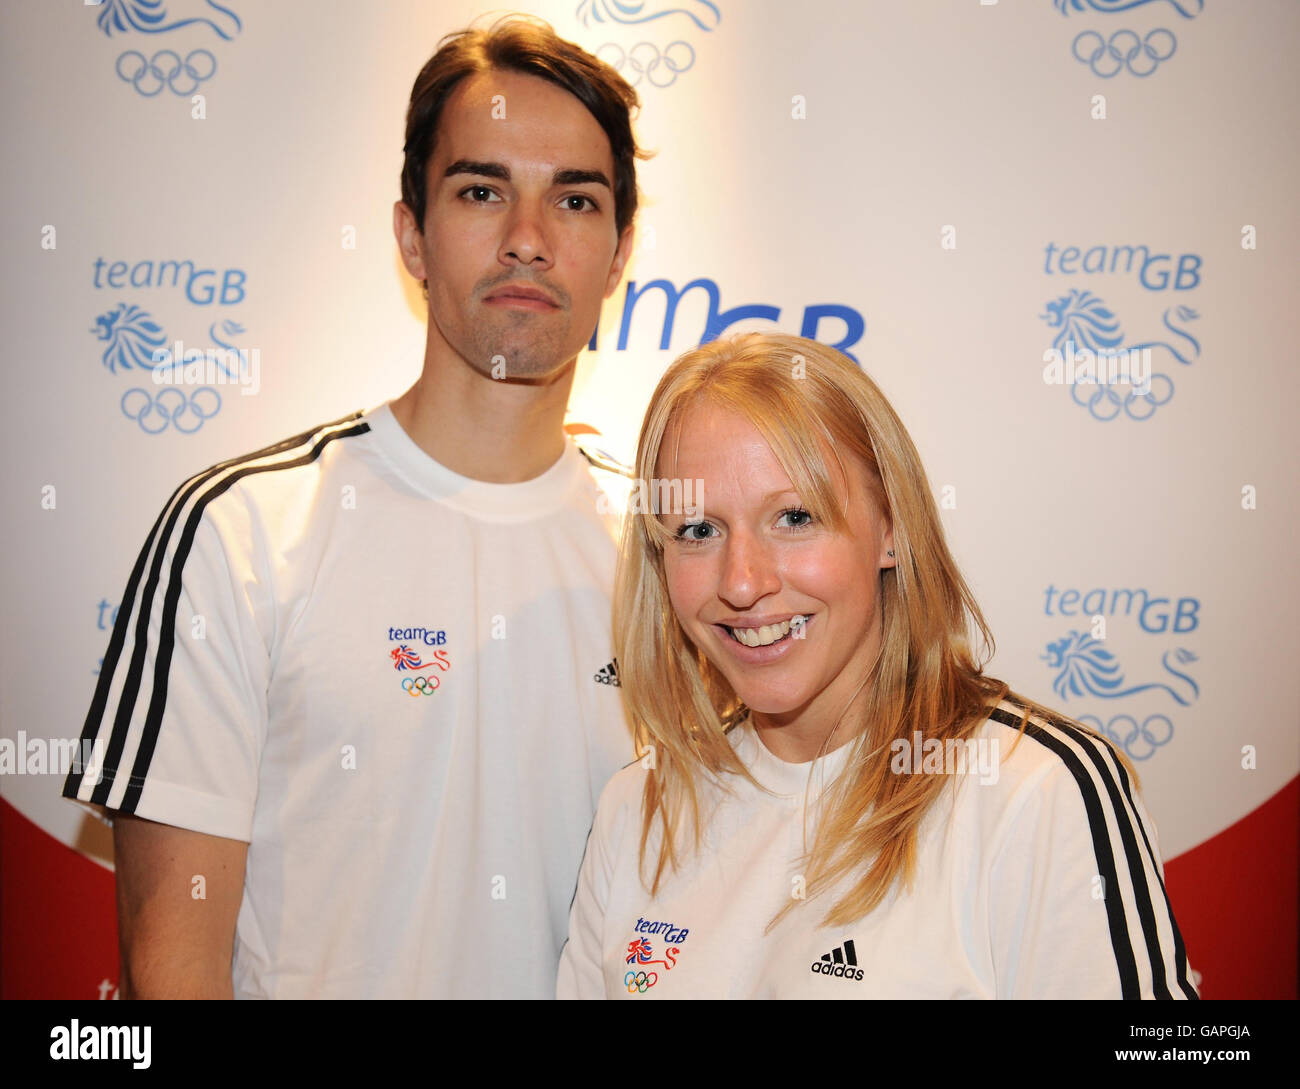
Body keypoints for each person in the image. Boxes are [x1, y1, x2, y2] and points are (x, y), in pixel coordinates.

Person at [64, 16, 644, 999]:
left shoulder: (685, 565)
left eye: (574, 200)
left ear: (619, 251)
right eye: (480, 190)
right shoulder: (240, 534)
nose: (528, 241)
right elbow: (174, 978)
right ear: (411, 235)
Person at [557, 333, 1198, 999]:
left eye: (794, 516)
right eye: (697, 530)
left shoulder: (1032, 793)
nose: (742, 582)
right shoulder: (638, 807)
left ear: (890, 529)